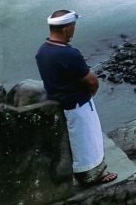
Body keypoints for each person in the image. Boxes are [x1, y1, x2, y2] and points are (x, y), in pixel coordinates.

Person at [35, 10, 116, 185]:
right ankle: (90, 175)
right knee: (86, 139)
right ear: (66, 28)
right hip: (77, 103)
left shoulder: (43, 50)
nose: (74, 30)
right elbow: (92, 81)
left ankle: (85, 173)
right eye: (73, 26)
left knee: (78, 138)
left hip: (57, 101)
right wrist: (91, 92)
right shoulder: (69, 54)